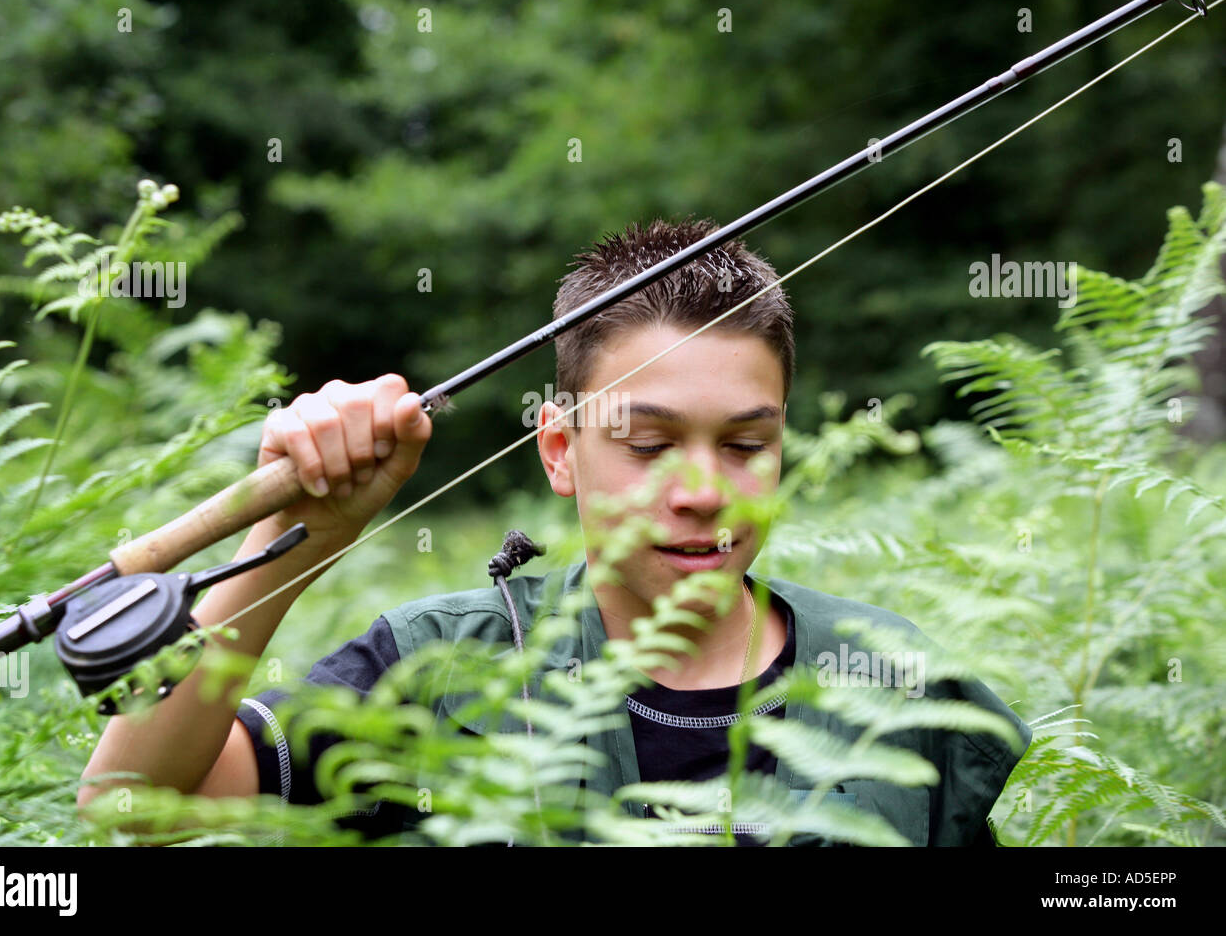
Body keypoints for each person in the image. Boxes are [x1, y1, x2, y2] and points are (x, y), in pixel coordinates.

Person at [78, 218, 1032, 846]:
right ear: (560, 450)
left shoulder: (899, 685)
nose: (705, 491)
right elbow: (129, 806)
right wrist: (293, 539)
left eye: (747, 443)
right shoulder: (441, 666)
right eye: (649, 444)